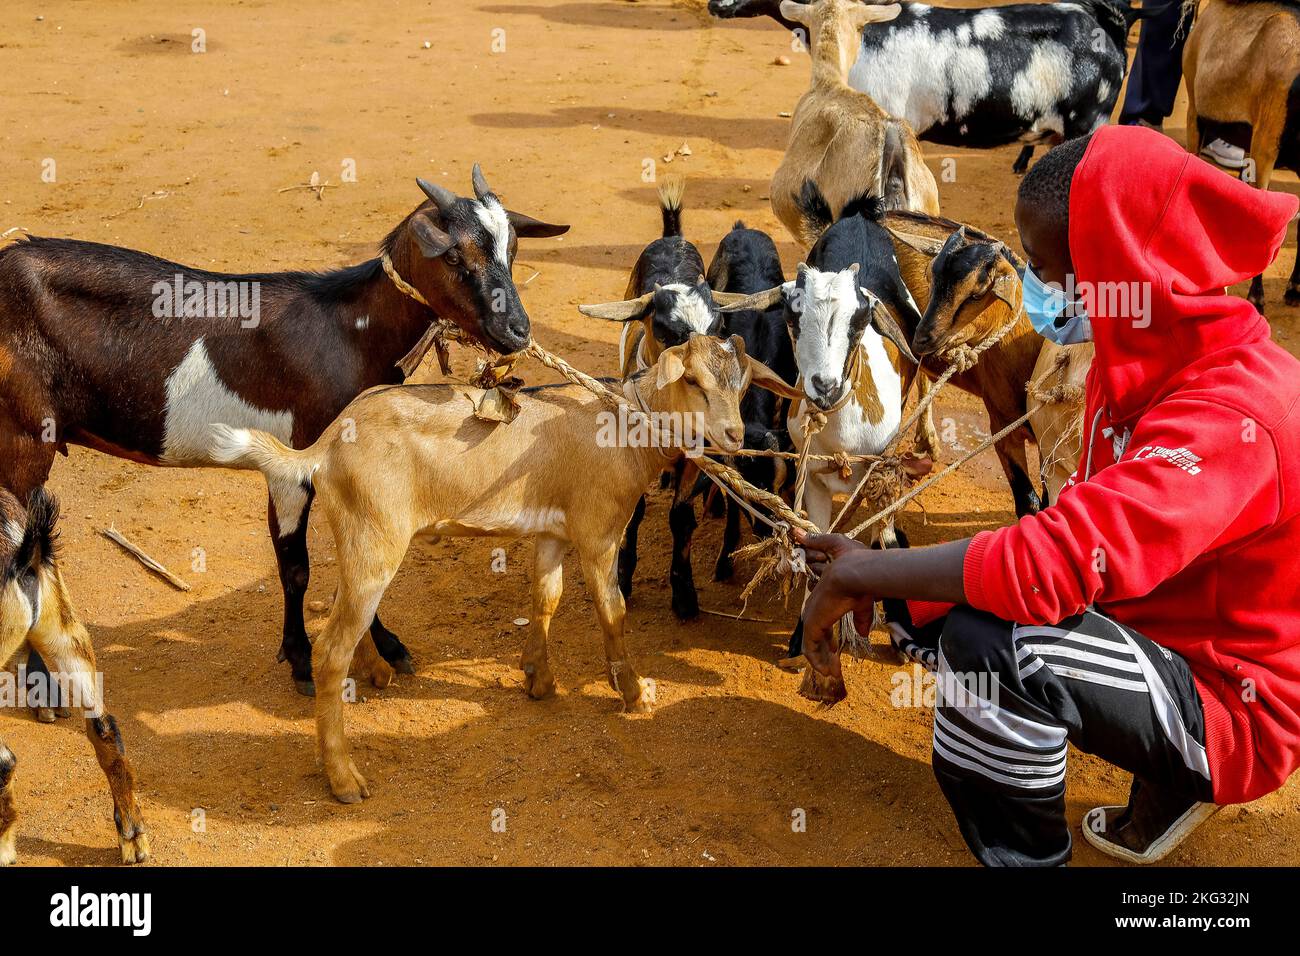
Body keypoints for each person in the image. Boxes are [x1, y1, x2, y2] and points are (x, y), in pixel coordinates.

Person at [795, 125, 1300, 866]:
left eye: (1052, 272)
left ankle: (1029, 857)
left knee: (993, 647)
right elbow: (1075, 541)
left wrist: (863, 569)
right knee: (931, 602)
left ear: (1126, 267)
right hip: (1159, 628)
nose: (1041, 295)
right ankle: (1159, 773)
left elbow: (1056, 562)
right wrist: (889, 580)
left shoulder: (1236, 416)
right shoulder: (1130, 372)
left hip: (1236, 704)